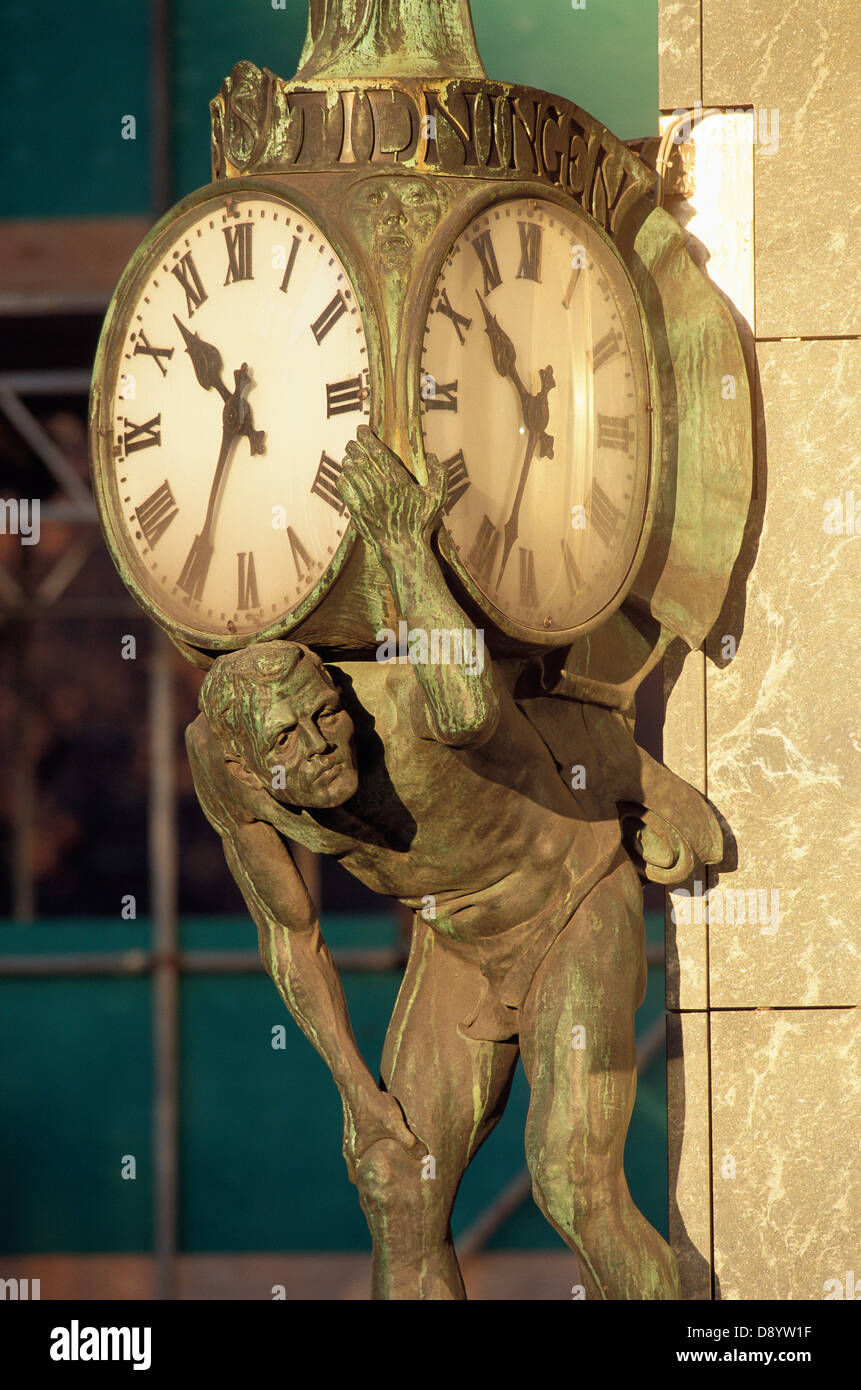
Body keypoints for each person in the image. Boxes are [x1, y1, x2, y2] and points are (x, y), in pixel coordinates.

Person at [186, 426, 681, 1300]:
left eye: (322, 715)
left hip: (569, 901)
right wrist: (356, 1095)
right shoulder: (227, 777)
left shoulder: (402, 700)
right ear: (239, 763)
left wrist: (403, 542)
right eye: (287, 741)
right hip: (457, 945)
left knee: (572, 1181)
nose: (320, 743)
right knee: (394, 1191)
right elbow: (289, 939)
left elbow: (465, 698)